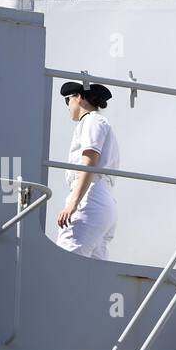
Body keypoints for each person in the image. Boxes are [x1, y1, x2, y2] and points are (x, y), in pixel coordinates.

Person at [55, 81, 120, 259]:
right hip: (103, 200)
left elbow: (89, 160)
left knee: (65, 263)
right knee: (92, 275)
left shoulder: (92, 120)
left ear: (80, 98)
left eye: (68, 100)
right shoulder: (99, 123)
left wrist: (73, 204)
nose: (68, 105)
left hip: (89, 200)